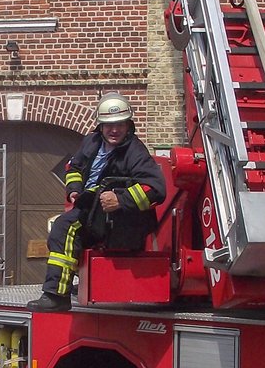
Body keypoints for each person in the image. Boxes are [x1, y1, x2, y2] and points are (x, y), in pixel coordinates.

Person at [26, 92, 167, 312]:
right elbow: (73, 167)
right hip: (89, 207)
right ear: (100, 126)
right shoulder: (91, 142)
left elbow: (156, 189)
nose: (114, 130)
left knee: (64, 228)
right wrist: (73, 189)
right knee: (62, 227)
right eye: (108, 125)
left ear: (128, 125)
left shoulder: (135, 152)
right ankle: (65, 286)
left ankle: (56, 296)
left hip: (115, 220)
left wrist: (120, 199)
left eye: (119, 124)